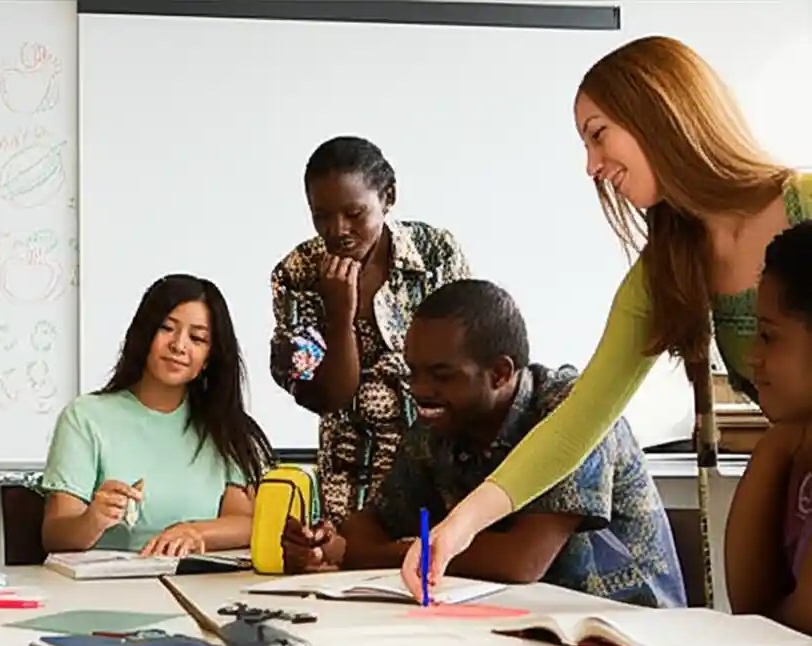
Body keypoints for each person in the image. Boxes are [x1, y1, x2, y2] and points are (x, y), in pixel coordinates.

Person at [403, 35, 812, 599]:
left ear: (661, 112)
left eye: (599, 136)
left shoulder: (805, 202)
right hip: (795, 495)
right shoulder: (667, 269)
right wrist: (460, 528)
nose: (592, 166)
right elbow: (580, 421)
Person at [284, 280, 686, 608]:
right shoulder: (438, 421)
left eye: (442, 374)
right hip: (517, 631)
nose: (420, 391)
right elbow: (370, 524)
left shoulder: (572, 411)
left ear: (499, 373)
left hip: (629, 634)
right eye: (414, 373)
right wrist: (326, 544)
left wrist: (376, 553)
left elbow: (521, 561)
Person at [270, 136, 470, 527]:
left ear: (388, 197)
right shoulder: (298, 274)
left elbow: (463, 363)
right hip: (351, 481)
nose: (337, 230)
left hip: (439, 466)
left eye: (354, 213)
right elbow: (327, 396)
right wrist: (340, 316)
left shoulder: (435, 254)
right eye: (321, 216)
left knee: (433, 575)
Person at [40, 274, 273, 555]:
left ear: (209, 357)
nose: (179, 345)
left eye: (197, 338)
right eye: (166, 328)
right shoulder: (84, 417)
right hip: (108, 591)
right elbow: (54, 536)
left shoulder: (225, 428)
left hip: (200, 587)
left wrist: (194, 531)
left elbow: (245, 523)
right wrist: (92, 521)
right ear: (144, 333)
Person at [725, 222, 812, 634]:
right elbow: (748, 604)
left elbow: (801, 623)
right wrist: (774, 448)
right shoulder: (794, 445)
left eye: (768, 336)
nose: (752, 357)